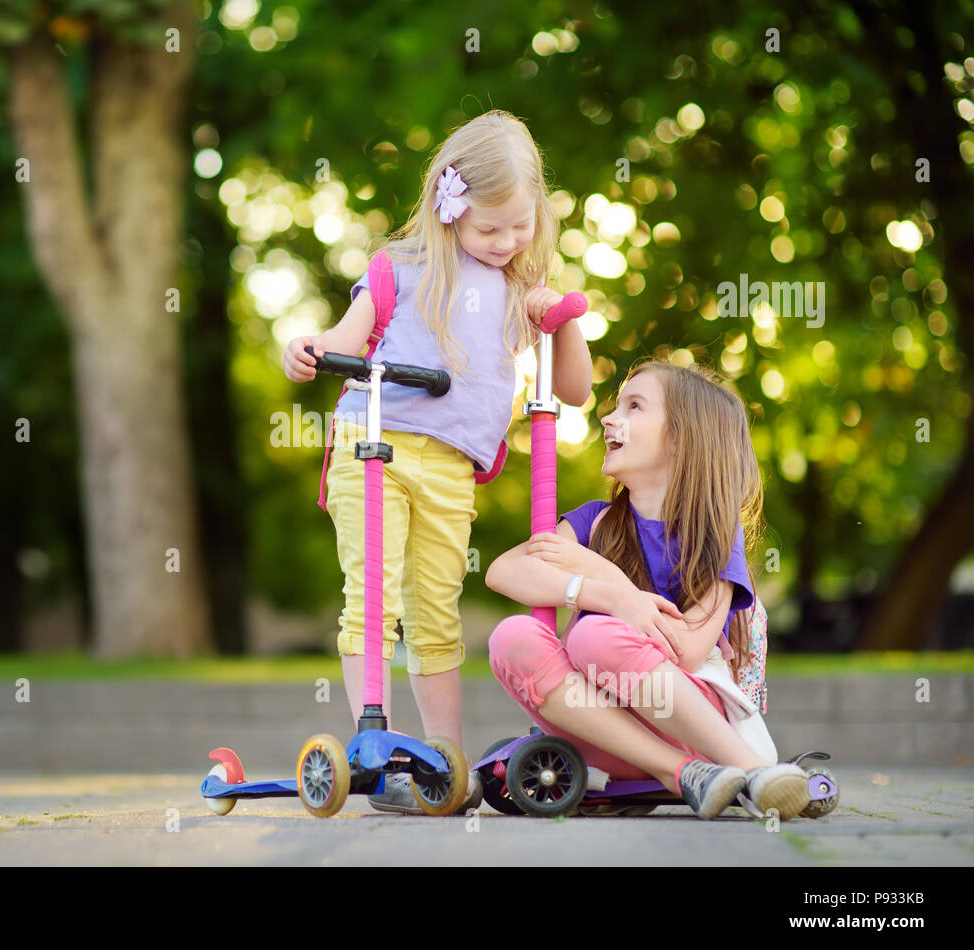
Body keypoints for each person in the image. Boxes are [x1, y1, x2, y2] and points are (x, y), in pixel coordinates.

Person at [282, 110, 592, 813]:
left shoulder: (519, 288)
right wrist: (303, 349)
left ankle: (442, 763)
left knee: (436, 610)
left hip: (453, 466)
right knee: (373, 596)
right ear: (449, 208)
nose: (506, 242)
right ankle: (377, 744)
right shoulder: (402, 270)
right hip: (374, 449)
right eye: (490, 229)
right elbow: (343, 340)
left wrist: (562, 317)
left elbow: (574, 390)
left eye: (520, 228)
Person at [484, 359, 812, 820]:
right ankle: (680, 774)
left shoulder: (714, 533)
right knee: (511, 637)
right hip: (605, 731)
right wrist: (611, 595)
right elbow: (503, 572)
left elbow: (691, 650)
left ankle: (750, 767)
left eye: (634, 407)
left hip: (690, 723)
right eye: (618, 405)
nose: (608, 418)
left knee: (592, 637)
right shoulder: (594, 521)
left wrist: (607, 582)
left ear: (681, 439)